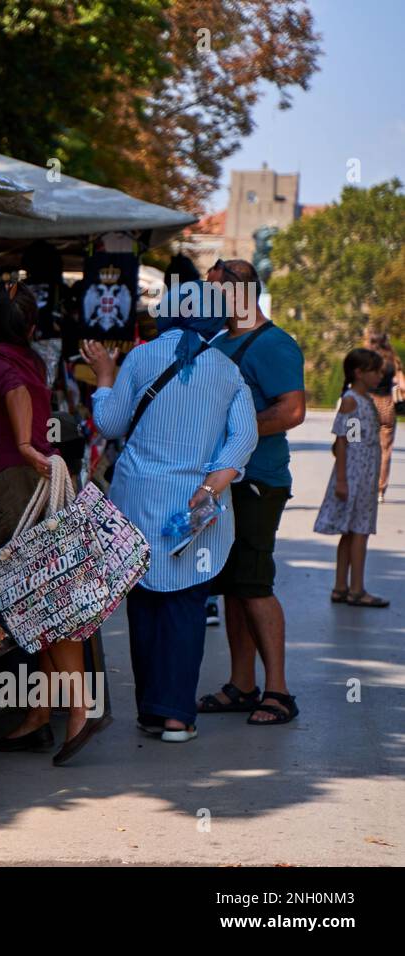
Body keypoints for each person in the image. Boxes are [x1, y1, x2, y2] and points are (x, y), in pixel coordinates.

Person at [81, 284, 257, 743]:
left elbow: (113, 424)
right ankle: (177, 716)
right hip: (194, 507)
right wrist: (209, 487)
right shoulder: (226, 369)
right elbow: (244, 438)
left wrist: (104, 376)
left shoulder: (140, 358)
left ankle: (151, 712)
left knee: (144, 604)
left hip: (138, 501)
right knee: (185, 607)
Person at [0, 285, 101, 763]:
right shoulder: (24, 359)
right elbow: (5, 381)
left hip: (16, 486)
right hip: (26, 484)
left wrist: (22, 445)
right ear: (30, 328)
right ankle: (39, 715)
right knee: (38, 605)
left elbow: (10, 391)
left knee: (44, 603)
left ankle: (78, 709)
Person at [198, 259, 306, 727]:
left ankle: (278, 690)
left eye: (213, 290)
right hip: (226, 482)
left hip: (259, 481)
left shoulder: (276, 345)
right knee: (232, 586)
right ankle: (241, 684)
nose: (204, 300)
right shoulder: (220, 342)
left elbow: (292, 411)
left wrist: (238, 431)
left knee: (255, 583)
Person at [315, 348, 388, 607]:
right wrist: (344, 479)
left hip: (362, 474)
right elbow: (344, 442)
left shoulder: (364, 399)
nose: (380, 375)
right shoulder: (352, 401)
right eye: (375, 371)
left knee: (350, 532)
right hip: (356, 476)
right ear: (359, 373)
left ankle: (341, 586)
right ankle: (356, 589)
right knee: (359, 531)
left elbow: (353, 439)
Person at [364, 329, 404, 501]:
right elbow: (403, 385)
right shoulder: (393, 361)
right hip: (387, 405)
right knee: (385, 449)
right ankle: (380, 490)